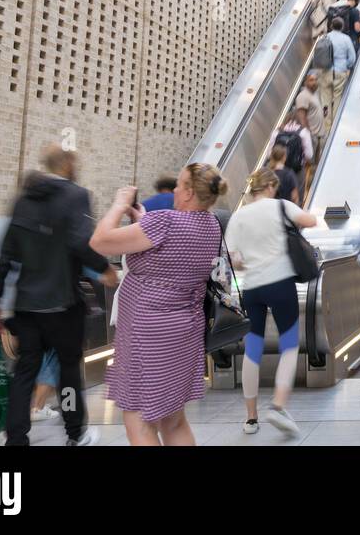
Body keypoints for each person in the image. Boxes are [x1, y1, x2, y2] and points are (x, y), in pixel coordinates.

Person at [92, 163, 227, 445]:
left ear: (189, 193)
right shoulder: (212, 224)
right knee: (174, 419)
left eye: (179, 185)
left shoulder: (165, 221)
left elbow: (100, 241)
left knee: (139, 418)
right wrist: (142, 219)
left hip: (147, 330)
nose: (175, 189)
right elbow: (168, 251)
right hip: (185, 330)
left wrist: (118, 205)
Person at [0, 146, 112, 447]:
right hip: (63, 304)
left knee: (25, 371)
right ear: (68, 164)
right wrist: (105, 268)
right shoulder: (76, 195)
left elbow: (6, 254)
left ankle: (16, 438)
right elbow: (81, 242)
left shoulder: (22, 201)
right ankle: (74, 433)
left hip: (26, 306)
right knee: (69, 370)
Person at [224, 167, 319, 437]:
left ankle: (251, 418)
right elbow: (310, 220)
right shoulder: (280, 206)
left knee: (253, 349)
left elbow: (234, 258)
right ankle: (277, 405)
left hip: (252, 288)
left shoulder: (239, 217)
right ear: (270, 187)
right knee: (289, 345)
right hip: (280, 283)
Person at [319, 17, 357, 129]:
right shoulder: (346, 39)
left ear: (331, 26)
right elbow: (352, 58)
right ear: (342, 27)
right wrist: (346, 66)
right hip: (340, 72)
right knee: (337, 98)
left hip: (325, 72)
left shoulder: (325, 37)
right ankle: (334, 127)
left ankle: (326, 126)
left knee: (325, 99)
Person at [295, 73, 325, 182]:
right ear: (306, 82)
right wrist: (308, 134)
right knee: (307, 165)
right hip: (311, 135)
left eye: (316, 80)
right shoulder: (303, 96)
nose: (315, 82)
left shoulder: (314, 94)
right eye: (312, 80)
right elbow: (301, 117)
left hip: (318, 135)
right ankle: (304, 189)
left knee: (316, 165)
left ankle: (312, 187)